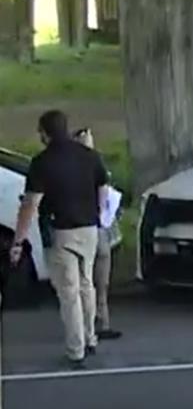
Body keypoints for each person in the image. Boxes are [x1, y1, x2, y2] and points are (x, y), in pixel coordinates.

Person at [9, 111, 109, 369]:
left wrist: (18, 241)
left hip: (60, 231)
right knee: (86, 284)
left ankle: (76, 351)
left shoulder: (42, 163)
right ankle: (90, 338)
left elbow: (31, 204)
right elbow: (103, 188)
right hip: (89, 229)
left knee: (69, 292)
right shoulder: (89, 156)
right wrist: (98, 217)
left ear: (45, 133)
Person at [73, 128, 123, 341]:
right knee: (91, 280)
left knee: (97, 281)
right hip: (91, 227)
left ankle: (99, 321)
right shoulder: (86, 166)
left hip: (96, 228)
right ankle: (94, 322)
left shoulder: (93, 164)